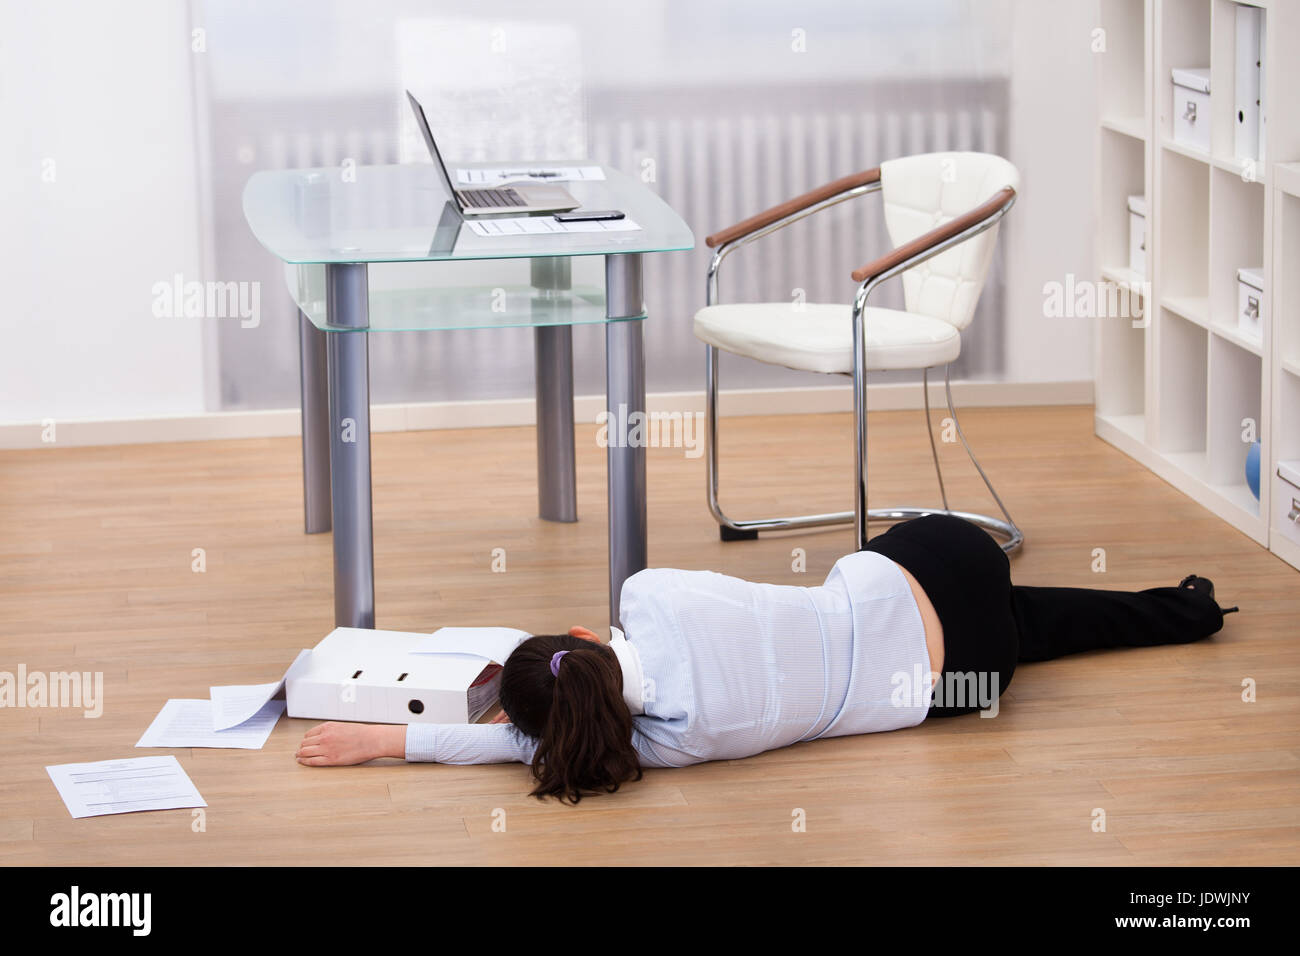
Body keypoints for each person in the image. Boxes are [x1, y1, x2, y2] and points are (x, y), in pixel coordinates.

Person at [295, 514, 1237, 803]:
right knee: (956, 579)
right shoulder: (646, 598)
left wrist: (391, 745)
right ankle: (1191, 610)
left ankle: (1186, 613)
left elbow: (527, 745)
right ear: (583, 639)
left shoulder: (666, 746)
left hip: (961, 687)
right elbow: (568, 695)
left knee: (1026, 630)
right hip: (943, 562)